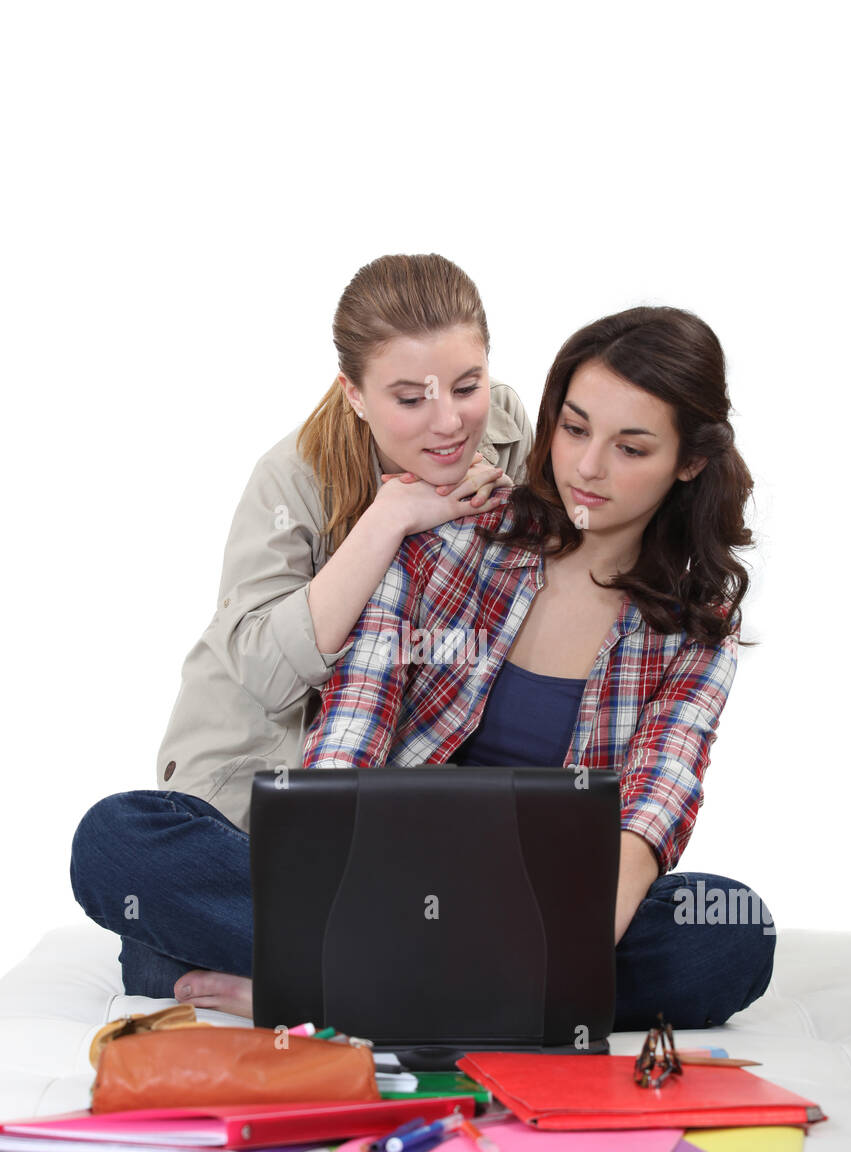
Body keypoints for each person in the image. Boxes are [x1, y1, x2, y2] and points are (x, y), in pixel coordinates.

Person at [121, 304, 775, 1030]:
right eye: (575, 428)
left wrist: (338, 976)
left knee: (732, 934)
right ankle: (456, 988)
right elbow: (349, 736)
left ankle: (335, 983)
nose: (588, 468)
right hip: (381, 881)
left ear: (688, 462)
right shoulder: (455, 530)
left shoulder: (698, 624)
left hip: (542, 907)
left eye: (631, 448)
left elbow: (654, 807)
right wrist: (332, 904)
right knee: (124, 837)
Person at [69, 253, 533, 1000]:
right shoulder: (291, 477)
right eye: (410, 398)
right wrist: (387, 520)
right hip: (258, 813)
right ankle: (416, 972)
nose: (450, 422)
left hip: (404, 816)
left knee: (716, 944)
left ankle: (301, 970)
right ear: (353, 393)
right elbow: (264, 671)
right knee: (113, 844)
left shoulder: (513, 438)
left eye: (468, 386)